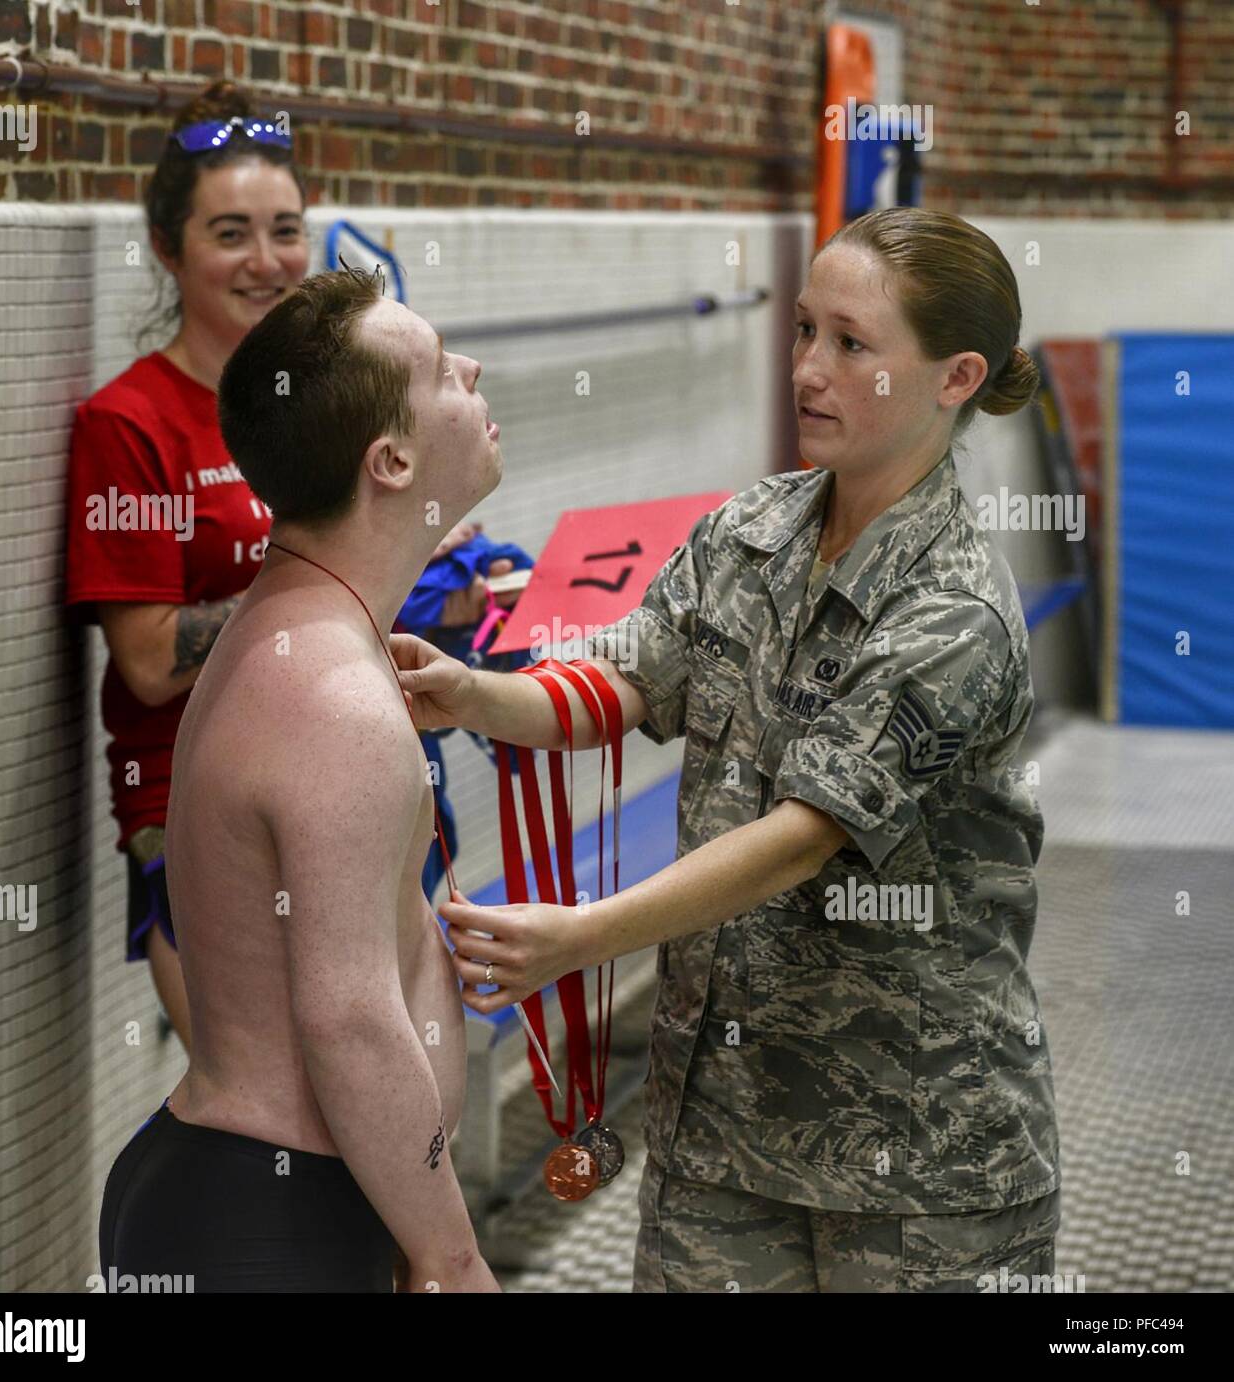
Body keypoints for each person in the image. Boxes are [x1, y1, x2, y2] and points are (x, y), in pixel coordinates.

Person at [394, 207, 1060, 1293]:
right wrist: (469, 692)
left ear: (954, 377)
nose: (807, 367)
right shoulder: (749, 529)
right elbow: (625, 676)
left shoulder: (953, 610)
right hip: (721, 1136)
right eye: (803, 329)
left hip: (918, 1161)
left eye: (851, 344)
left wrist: (583, 936)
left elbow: (800, 839)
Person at [65, 80, 513, 1050]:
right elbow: (145, 660)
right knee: (272, 1117)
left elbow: (357, 588)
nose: (266, 261)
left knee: (388, 1093)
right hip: (203, 809)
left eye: (286, 229)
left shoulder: (336, 398)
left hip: (353, 776)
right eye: (230, 233)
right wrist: (337, 577)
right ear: (166, 246)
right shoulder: (128, 423)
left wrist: (442, 586)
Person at [98, 265, 504, 1292]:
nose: (473, 370)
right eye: (444, 372)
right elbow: (348, 1017)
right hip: (270, 1225)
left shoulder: (292, 634)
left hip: (261, 1200)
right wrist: (451, 1254)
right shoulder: (333, 697)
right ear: (393, 460)